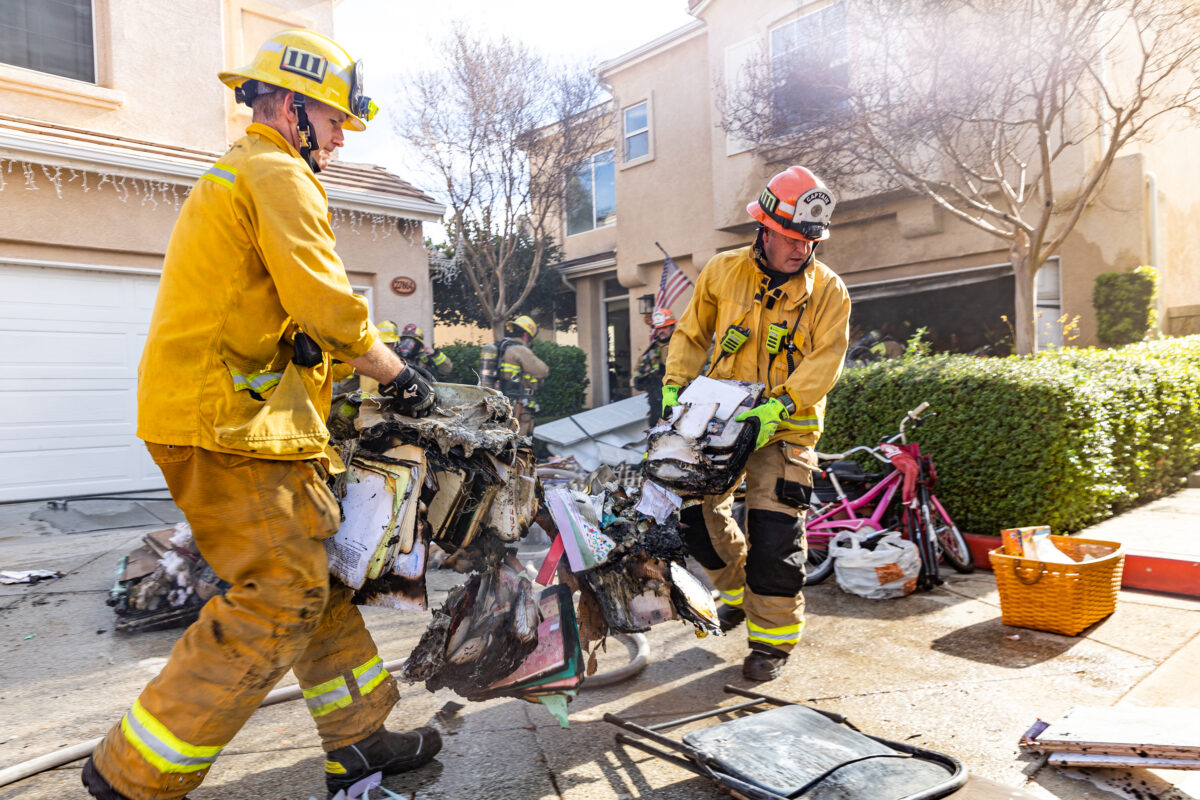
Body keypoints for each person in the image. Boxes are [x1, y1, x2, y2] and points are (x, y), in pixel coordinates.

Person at [82, 30, 441, 800]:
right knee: (280, 593)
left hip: (251, 423)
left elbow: (286, 316)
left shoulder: (249, 173)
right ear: (288, 105)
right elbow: (327, 304)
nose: (342, 138)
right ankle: (129, 776)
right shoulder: (276, 172)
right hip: (230, 426)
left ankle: (362, 738)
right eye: (335, 119)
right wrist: (398, 373)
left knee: (319, 582)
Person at [662, 165, 851, 682]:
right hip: (720, 416)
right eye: (790, 238)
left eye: (810, 240)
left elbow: (825, 362)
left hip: (785, 427)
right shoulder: (723, 271)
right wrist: (674, 386)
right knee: (694, 520)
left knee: (774, 532)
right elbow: (691, 333)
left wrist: (779, 408)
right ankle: (737, 594)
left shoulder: (829, 291)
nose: (800, 250)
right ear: (763, 229)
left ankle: (771, 643)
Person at [497, 315, 549, 436]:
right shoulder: (520, 349)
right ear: (526, 335)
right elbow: (543, 371)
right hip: (517, 407)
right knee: (519, 443)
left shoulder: (501, 346)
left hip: (499, 404)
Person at [632, 307, 677, 428]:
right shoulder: (652, 350)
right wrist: (640, 379)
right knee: (656, 438)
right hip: (657, 404)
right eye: (658, 328)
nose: (661, 331)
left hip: (679, 403)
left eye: (665, 327)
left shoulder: (680, 346)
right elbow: (638, 368)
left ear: (672, 327)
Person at [387, 321, 453, 382]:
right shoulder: (396, 357)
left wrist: (435, 354)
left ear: (418, 345)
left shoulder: (425, 359)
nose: (407, 344)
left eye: (411, 342)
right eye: (405, 340)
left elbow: (447, 369)